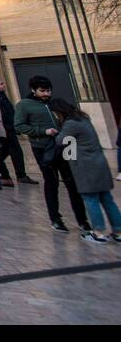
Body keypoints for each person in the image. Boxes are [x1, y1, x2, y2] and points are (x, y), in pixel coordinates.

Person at [15, 75, 91, 234]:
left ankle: (82, 220)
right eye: (42, 91)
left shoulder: (54, 104)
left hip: (63, 146)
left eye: (48, 90)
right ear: (33, 90)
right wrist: (43, 131)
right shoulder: (24, 105)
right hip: (43, 148)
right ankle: (55, 219)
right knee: (51, 182)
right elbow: (20, 126)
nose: (46, 94)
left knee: (72, 182)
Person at [51, 97, 121, 244]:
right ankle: (118, 231)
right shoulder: (83, 119)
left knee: (91, 199)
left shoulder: (70, 124)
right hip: (100, 163)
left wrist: (55, 132)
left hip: (86, 166)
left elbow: (61, 141)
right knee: (107, 199)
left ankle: (98, 232)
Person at [0, 77, 37, 185]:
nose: (3, 85)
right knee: (16, 151)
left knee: (4, 152)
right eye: (0, 84)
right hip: (6, 128)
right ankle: (21, 175)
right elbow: (2, 114)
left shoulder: (1, 95)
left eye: (3, 83)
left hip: (8, 128)